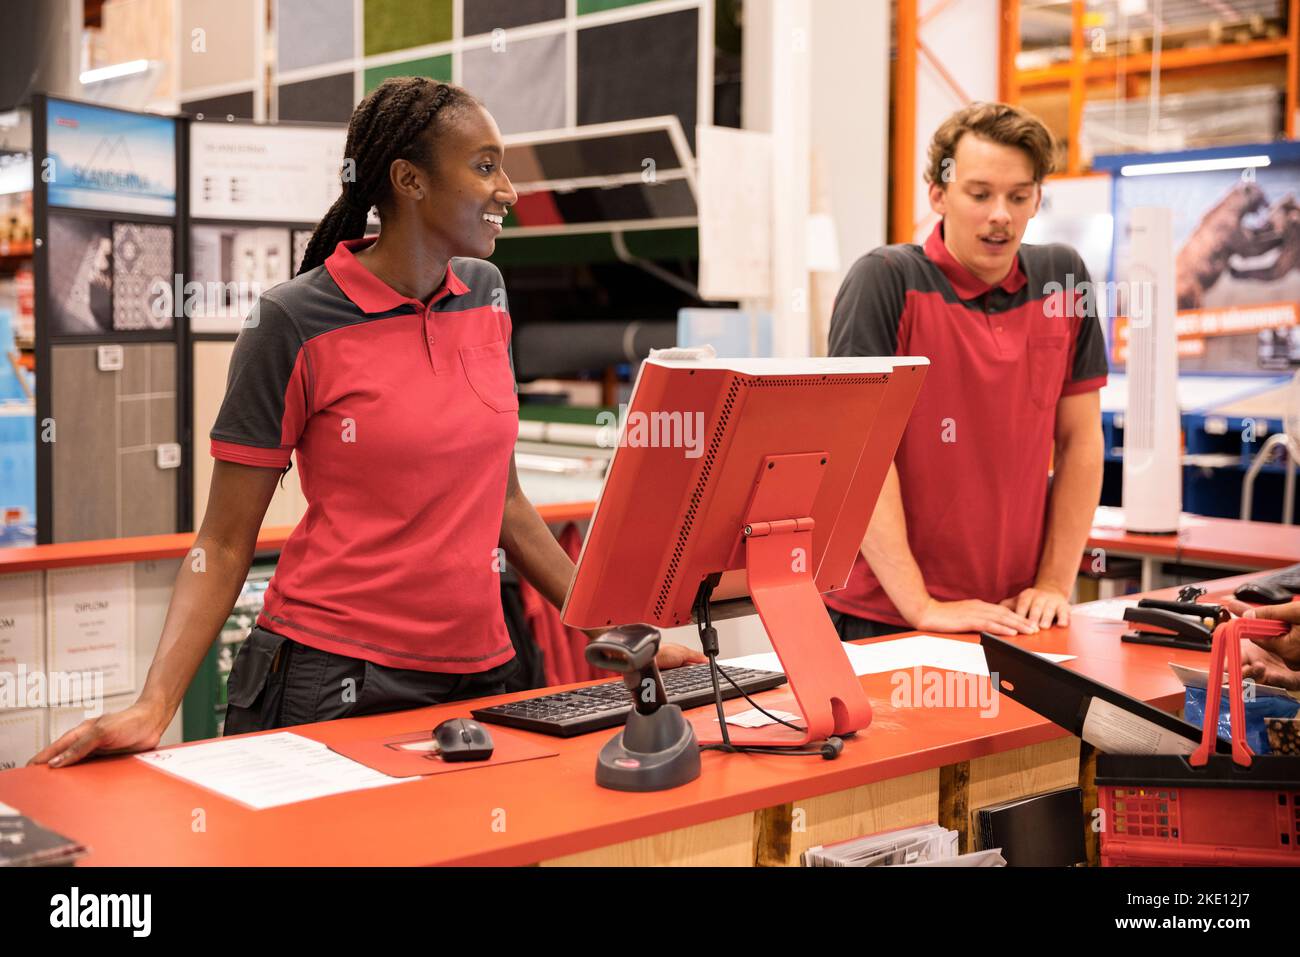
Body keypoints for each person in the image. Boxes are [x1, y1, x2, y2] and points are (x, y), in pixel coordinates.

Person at [32, 78, 703, 769]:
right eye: (484, 165)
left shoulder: (488, 295)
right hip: (337, 677)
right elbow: (225, 543)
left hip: (483, 670)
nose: (509, 188)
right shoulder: (291, 322)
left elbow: (507, 505)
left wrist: (622, 635)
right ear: (409, 179)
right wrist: (156, 704)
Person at [825, 102, 1108, 641]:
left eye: (1018, 196)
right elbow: (861, 453)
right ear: (938, 194)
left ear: (1036, 200)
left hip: (1013, 615)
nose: (1000, 213)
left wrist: (1053, 583)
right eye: (979, 194)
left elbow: (1080, 441)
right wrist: (922, 606)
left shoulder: (1064, 278)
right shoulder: (884, 281)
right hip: (882, 616)